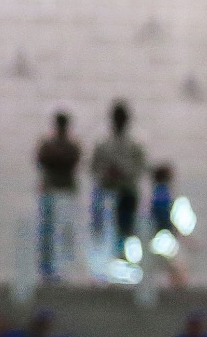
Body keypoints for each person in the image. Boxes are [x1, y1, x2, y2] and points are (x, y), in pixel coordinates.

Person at [89, 100, 145, 261]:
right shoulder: (103, 143)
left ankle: (122, 257)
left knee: (125, 227)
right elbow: (94, 167)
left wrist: (122, 172)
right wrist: (107, 174)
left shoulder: (135, 144)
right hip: (106, 191)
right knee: (103, 227)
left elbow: (140, 168)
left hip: (126, 192)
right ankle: (104, 258)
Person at [33, 111, 82, 282]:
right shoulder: (48, 144)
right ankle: (46, 268)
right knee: (48, 230)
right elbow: (43, 159)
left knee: (64, 230)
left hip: (65, 191)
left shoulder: (72, 145)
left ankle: (62, 267)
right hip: (51, 189)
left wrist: (57, 159)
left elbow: (72, 160)